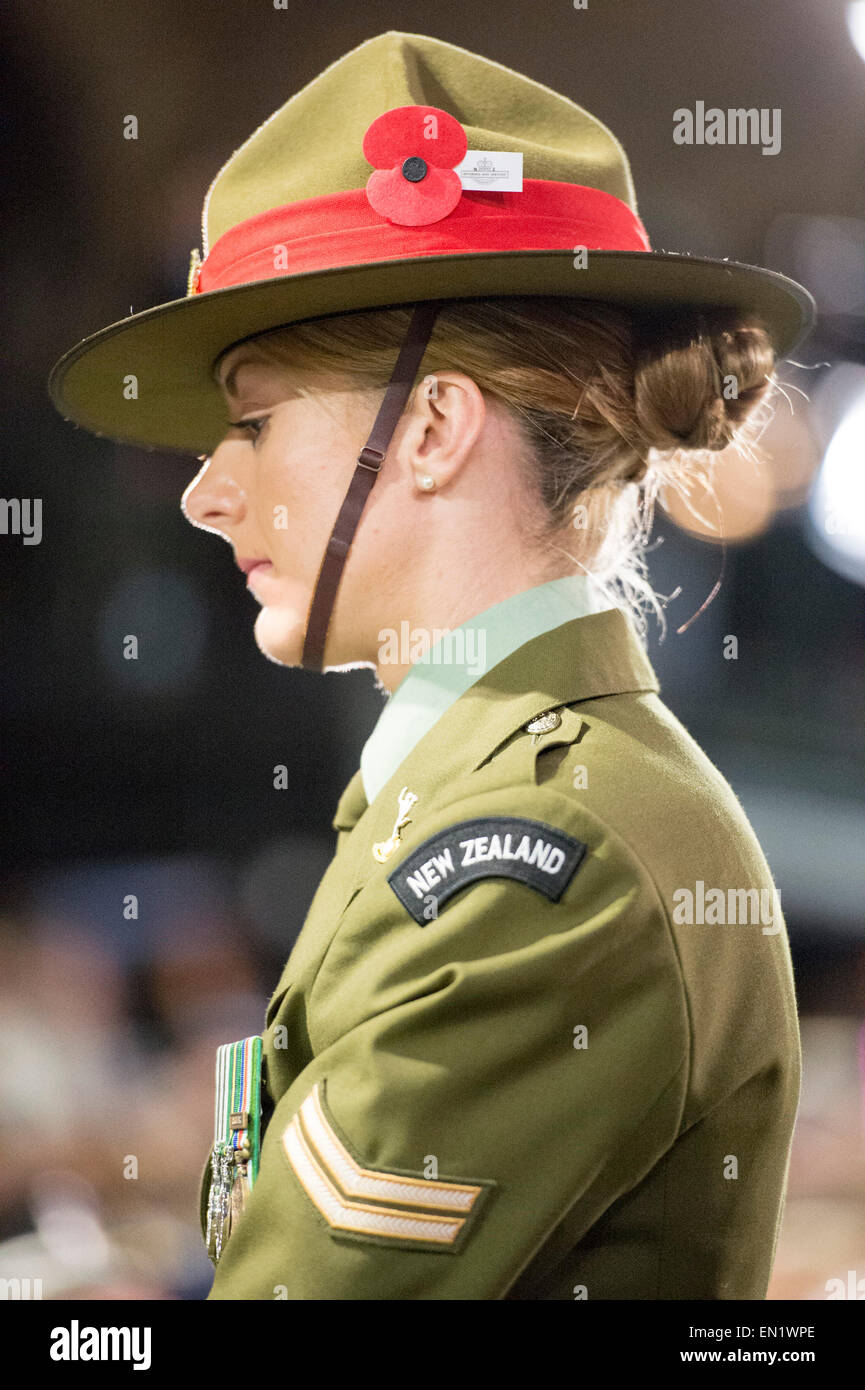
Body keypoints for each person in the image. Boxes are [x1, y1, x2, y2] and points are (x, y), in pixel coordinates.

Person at [49, 31, 814, 1300]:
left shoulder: (541, 857)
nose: (205, 494)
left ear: (430, 427)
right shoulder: (505, 793)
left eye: (251, 421)